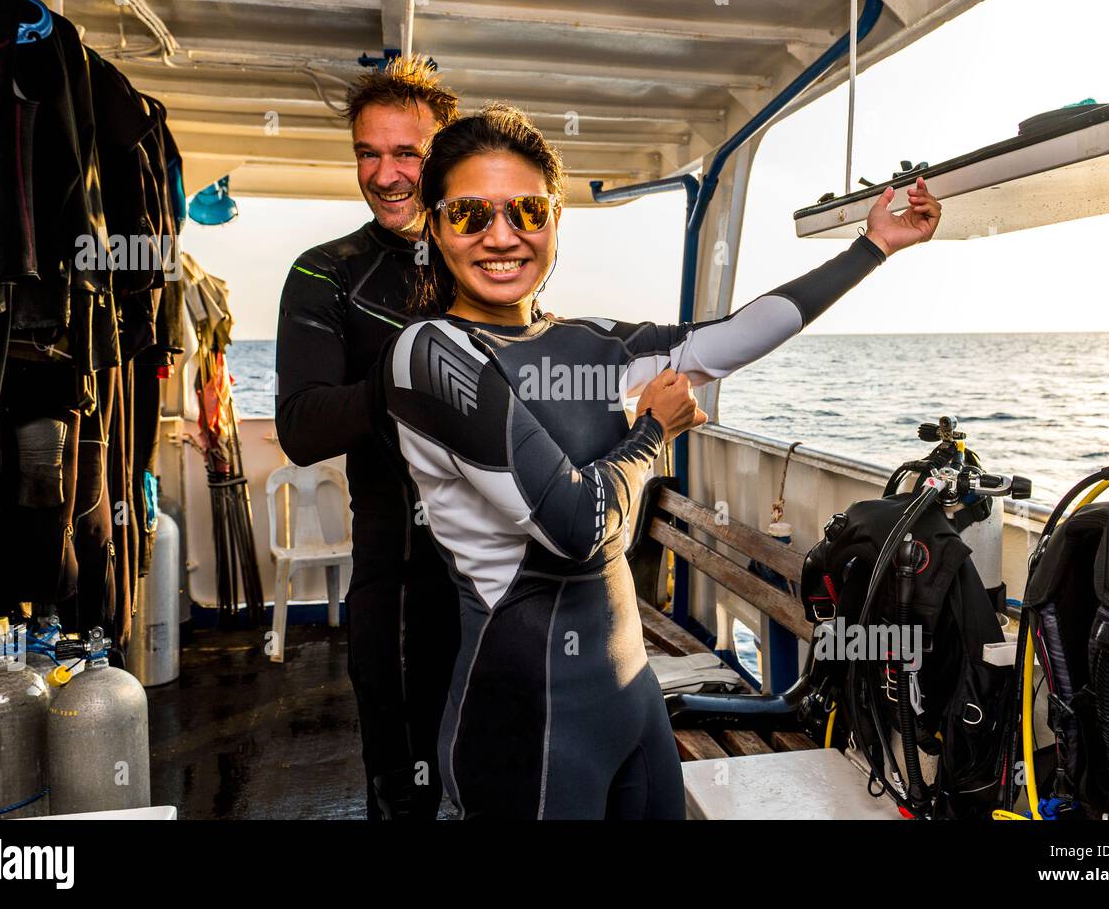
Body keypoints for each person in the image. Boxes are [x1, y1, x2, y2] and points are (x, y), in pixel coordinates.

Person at [380, 104, 942, 819]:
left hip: (631, 699)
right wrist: (652, 433)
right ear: (432, 226)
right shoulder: (428, 355)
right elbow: (576, 530)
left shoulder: (589, 344)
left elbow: (731, 337)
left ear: (555, 220)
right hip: (522, 718)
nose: (501, 236)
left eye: (526, 210)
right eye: (468, 215)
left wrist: (874, 245)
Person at [274, 55, 461, 819]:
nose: (384, 174)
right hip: (393, 561)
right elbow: (302, 428)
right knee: (401, 773)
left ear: (442, 157)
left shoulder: (484, 259)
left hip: (497, 567)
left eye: (406, 152)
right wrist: (417, 374)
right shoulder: (325, 275)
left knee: (497, 762)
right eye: (367, 153)